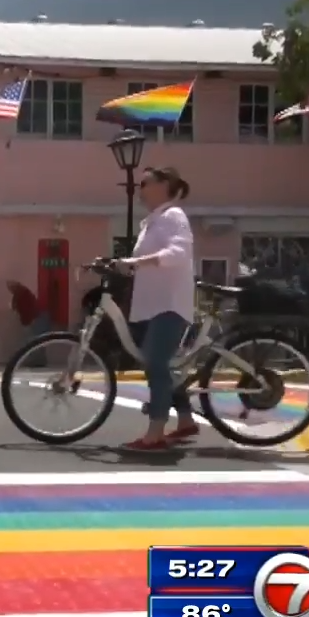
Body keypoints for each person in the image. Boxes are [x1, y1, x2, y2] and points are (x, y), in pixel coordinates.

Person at [115, 166, 198, 450]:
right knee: (162, 364)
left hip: (169, 305)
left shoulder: (173, 216)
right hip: (153, 306)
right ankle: (185, 420)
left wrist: (137, 262)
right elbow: (147, 260)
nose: (140, 189)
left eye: (145, 183)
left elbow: (178, 253)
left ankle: (155, 433)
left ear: (165, 185)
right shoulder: (152, 222)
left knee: (156, 363)